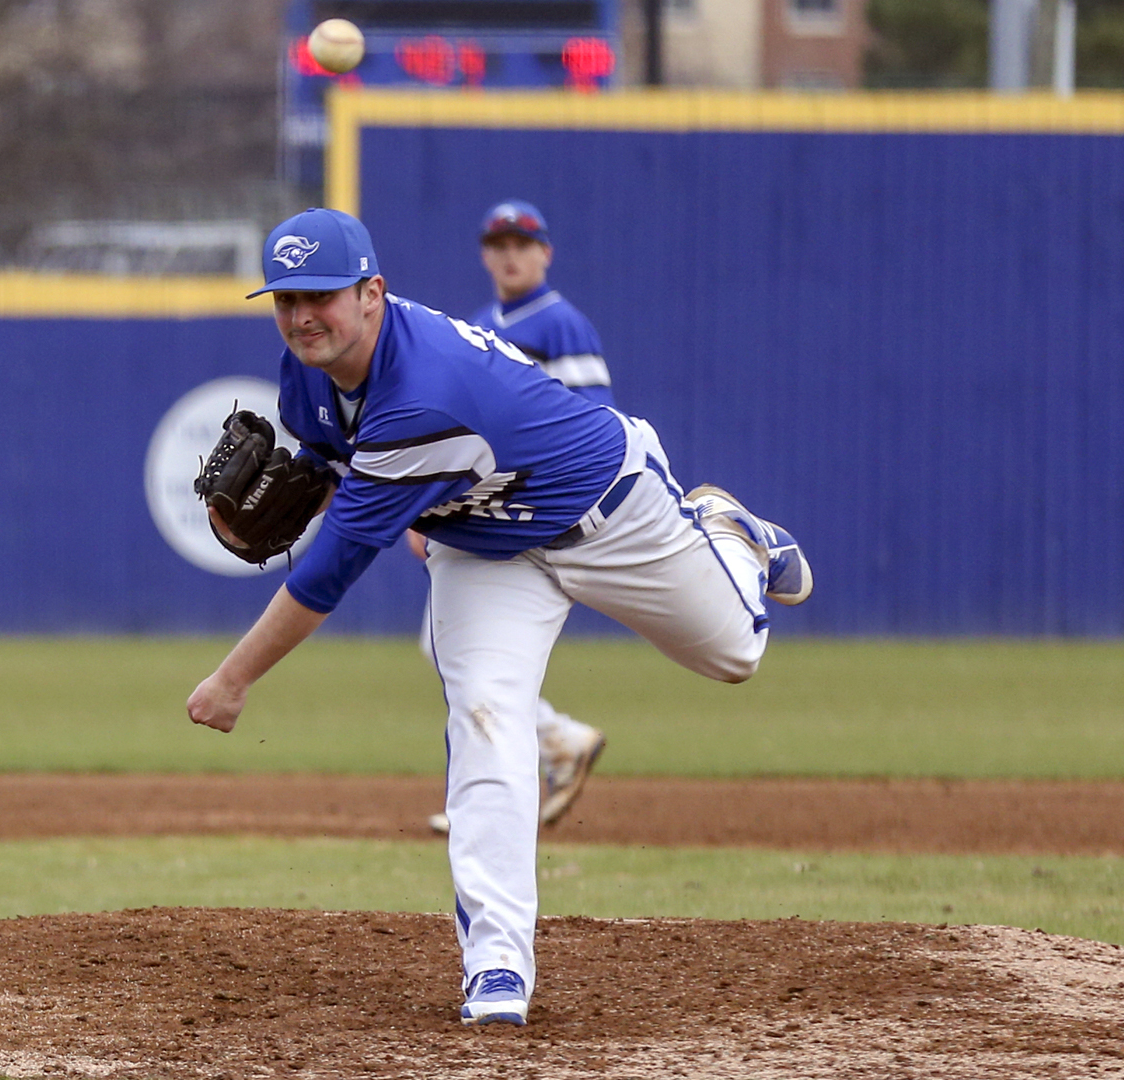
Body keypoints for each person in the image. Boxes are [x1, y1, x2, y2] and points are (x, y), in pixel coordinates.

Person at [187, 207, 811, 1027]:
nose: (302, 316)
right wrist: (292, 484)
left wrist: (233, 681)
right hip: (484, 550)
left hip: (608, 510)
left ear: (372, 292)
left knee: (735, 654)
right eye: (286, 297)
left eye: (323, 295)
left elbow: (332, 570)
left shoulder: (425, 396)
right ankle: (497, 968)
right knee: (487, 723)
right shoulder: (305, 368)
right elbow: (322, 457)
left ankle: (730, 532)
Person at [428, 199, 610, 835]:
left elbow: (592, 423)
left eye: (522, 242)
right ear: (484, 253)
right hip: (487, 509)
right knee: (449, 644)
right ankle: (541, 754)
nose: (510, 253)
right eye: (498, 242)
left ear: (545, 253)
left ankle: (524, 767)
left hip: (537, 510)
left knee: (463, 647)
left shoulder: (562, 325)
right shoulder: (476, 324)